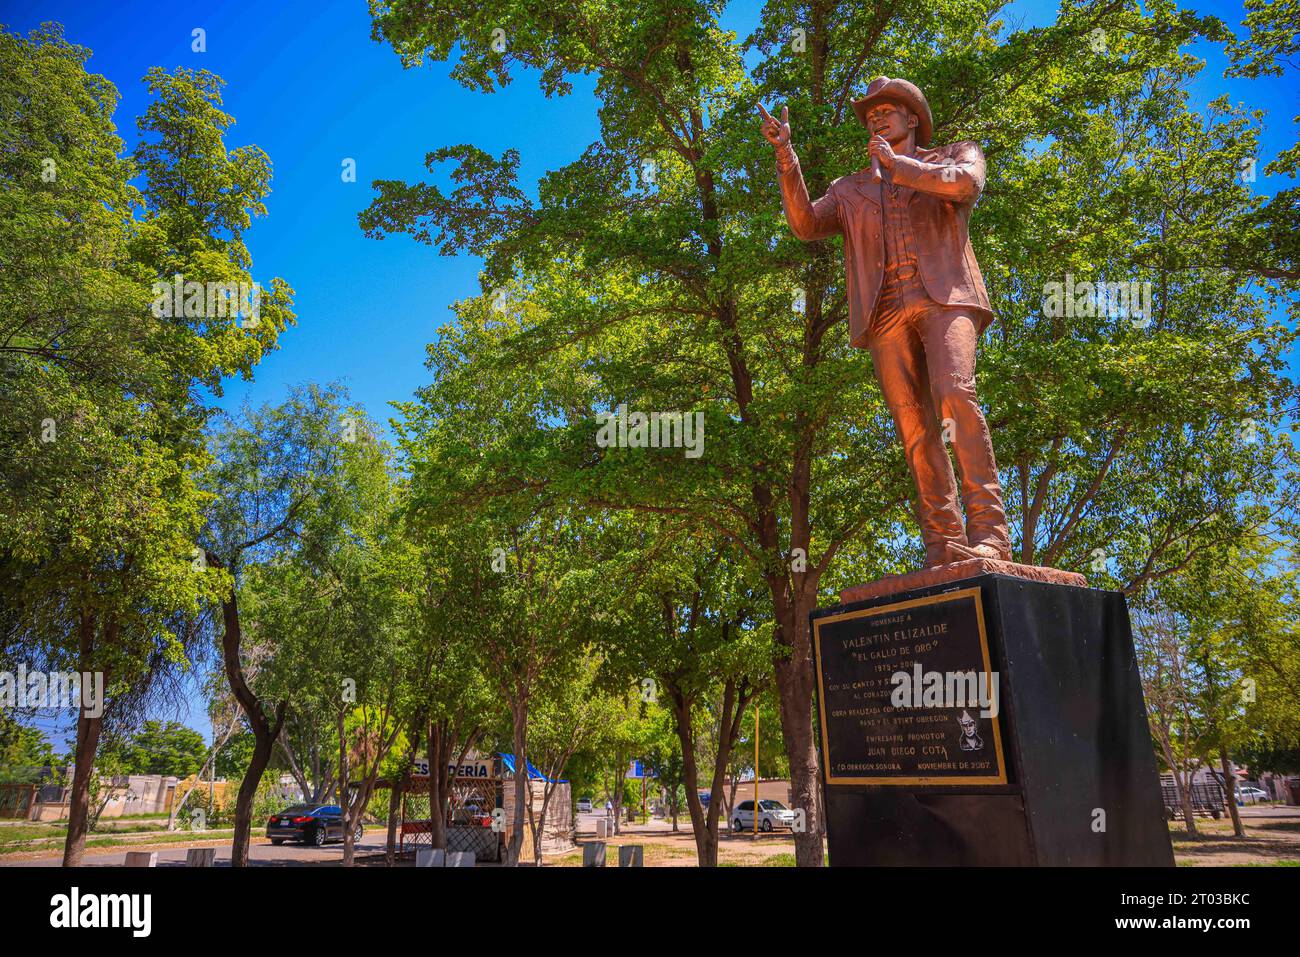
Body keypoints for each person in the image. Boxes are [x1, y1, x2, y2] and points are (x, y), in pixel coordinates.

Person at [759, 77, 1011, 567]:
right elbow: (806, 224)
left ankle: (991, 534)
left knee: (955, 395)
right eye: (870, 114)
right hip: (886, 313)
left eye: (887, 110)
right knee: (914, 426)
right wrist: (786, 156)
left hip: (945, 299)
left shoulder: (954, 155)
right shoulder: (850, 188)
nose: (876, 117)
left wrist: (900, 168)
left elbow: (965, 185)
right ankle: (943, 541)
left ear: (913, 118)